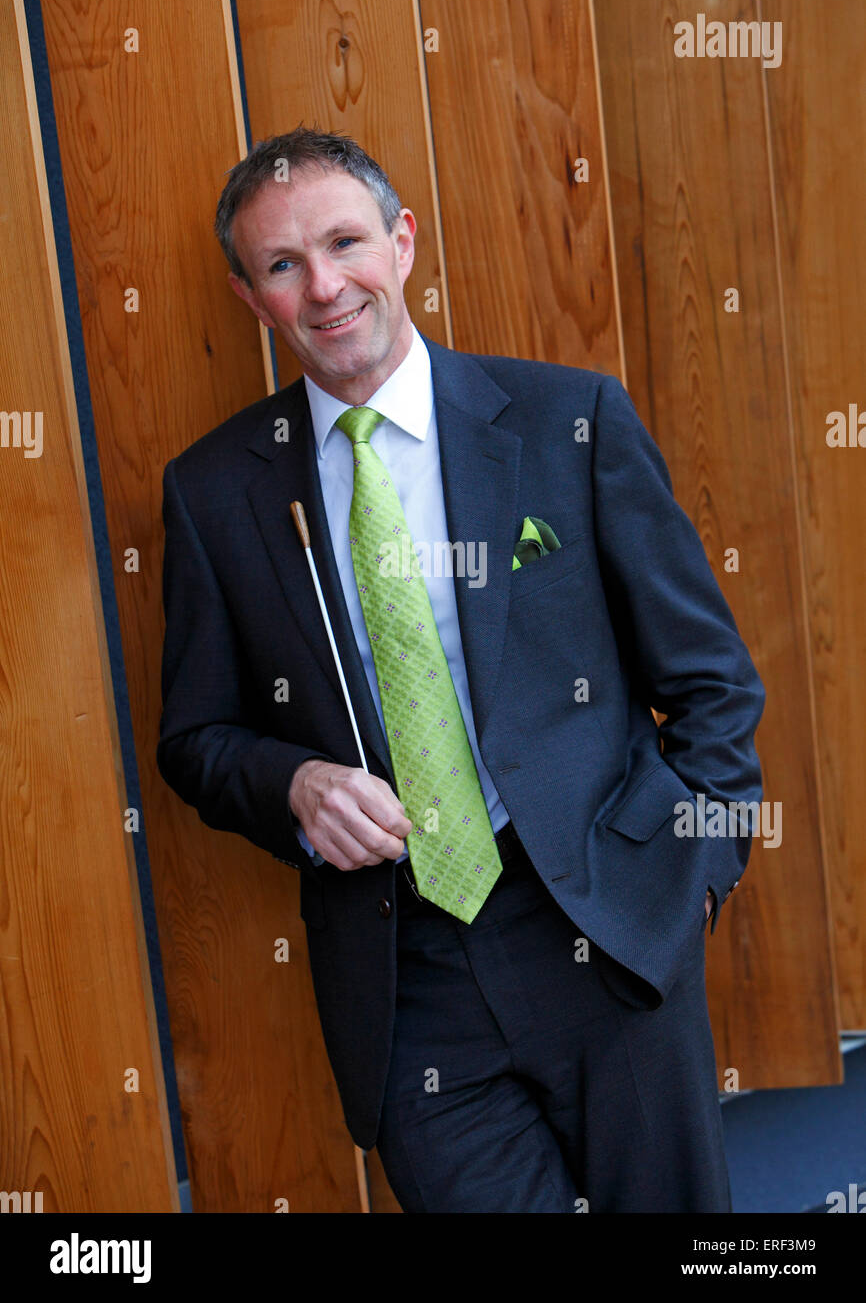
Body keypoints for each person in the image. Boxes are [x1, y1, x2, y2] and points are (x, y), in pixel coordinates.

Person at [157, 126, 766, 1212]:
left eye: (344, 242)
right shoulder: (213, 493)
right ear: (253, 299)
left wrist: (692, 879)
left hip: (604, 931)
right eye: (283, 265)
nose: (325, 285)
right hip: (404, 983)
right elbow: (195, 738)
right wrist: (292, 786)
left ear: (401, 243)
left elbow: (711, 678)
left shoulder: (565, 420)